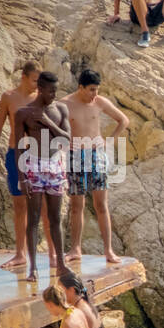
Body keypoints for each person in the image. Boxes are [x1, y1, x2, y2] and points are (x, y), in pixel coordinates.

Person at [0, 61, 54, 270]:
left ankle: (53, 253)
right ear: (24, 77)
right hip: (15, 154)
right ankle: (20, 254)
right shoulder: (9, 97)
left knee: (44, 206)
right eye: (35, 80)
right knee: (19, 206)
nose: (37, 85)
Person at [64, 68, 128, 264]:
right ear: (80, 87)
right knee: (77, 206)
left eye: (97, 89)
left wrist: (110, 142)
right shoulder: (65, 104)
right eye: (91, 90)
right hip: (75, 155)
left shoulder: (99, 102)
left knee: (101, 204)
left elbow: (123, 120)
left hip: (96, 154)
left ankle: (108, 250)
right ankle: (75, 248)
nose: (95, 94)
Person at [13, 72, 71, 283]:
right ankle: (33, 268)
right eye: (51, 90)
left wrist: (48, 122)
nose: (54, 94)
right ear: (40, 89)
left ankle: (61, 265)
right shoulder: (24, 113)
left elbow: (67, 140)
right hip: (34, 165)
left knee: (55, 218)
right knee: (34, 218)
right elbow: (19, 146)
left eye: (56, 90)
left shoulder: (60, 109)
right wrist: (22, 177)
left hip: (55, 164)